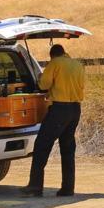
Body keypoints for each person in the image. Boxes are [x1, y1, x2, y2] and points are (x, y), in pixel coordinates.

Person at [22, 44, 85, 197]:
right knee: (68, 147)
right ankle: (67, 187)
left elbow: (44, 84)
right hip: (75, 109)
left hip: (59, 109)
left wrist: (39, 78)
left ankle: (35, 186)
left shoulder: (55, 63)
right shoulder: (78, 65)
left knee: (42, 145)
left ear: (52, 55)